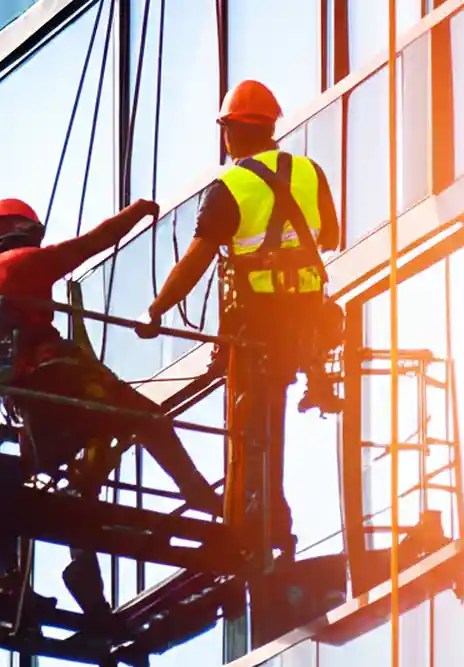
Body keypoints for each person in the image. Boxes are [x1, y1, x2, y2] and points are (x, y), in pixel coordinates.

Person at [0, 197, 223, 627]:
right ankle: (195, 491)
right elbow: (94, 242)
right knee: (145, 419)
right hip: (57, 379)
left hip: (16, 403)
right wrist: (137, 211)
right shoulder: (24, 263)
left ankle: (22, 580)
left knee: (19, 484)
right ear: (24, 231)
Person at [136, 79, 344, 558]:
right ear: (271, 127)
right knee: (267, 418)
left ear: (229, 132)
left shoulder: (229, 186)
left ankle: (261, 515)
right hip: (309, 320)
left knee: (252, 425)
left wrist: (156, 311)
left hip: (258, 326)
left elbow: (195, 262)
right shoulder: (310, 172)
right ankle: (269, 514)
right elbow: (329, 236)